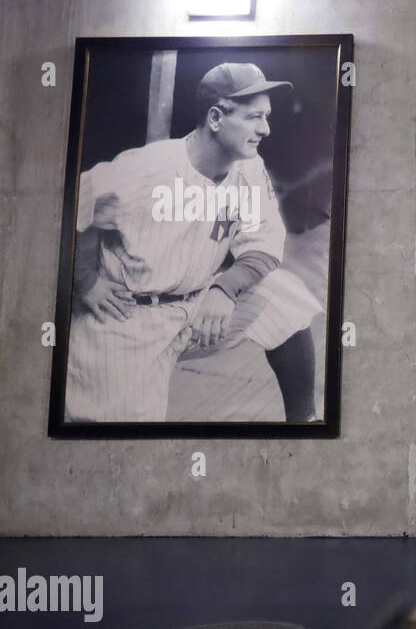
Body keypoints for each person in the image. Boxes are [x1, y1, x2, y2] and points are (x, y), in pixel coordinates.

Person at [66, 62, 323, 423]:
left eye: (266, 116)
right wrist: (86, 281)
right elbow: (67, 208)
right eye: (254, 118)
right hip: (129, 321)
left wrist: (224, 290)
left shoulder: (248, 167)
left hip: (197, 308)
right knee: (126, 448)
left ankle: (304, 426)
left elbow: (265, 243)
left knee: (285, 297)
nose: (265, 129)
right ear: (216, 118)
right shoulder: (146, 169)